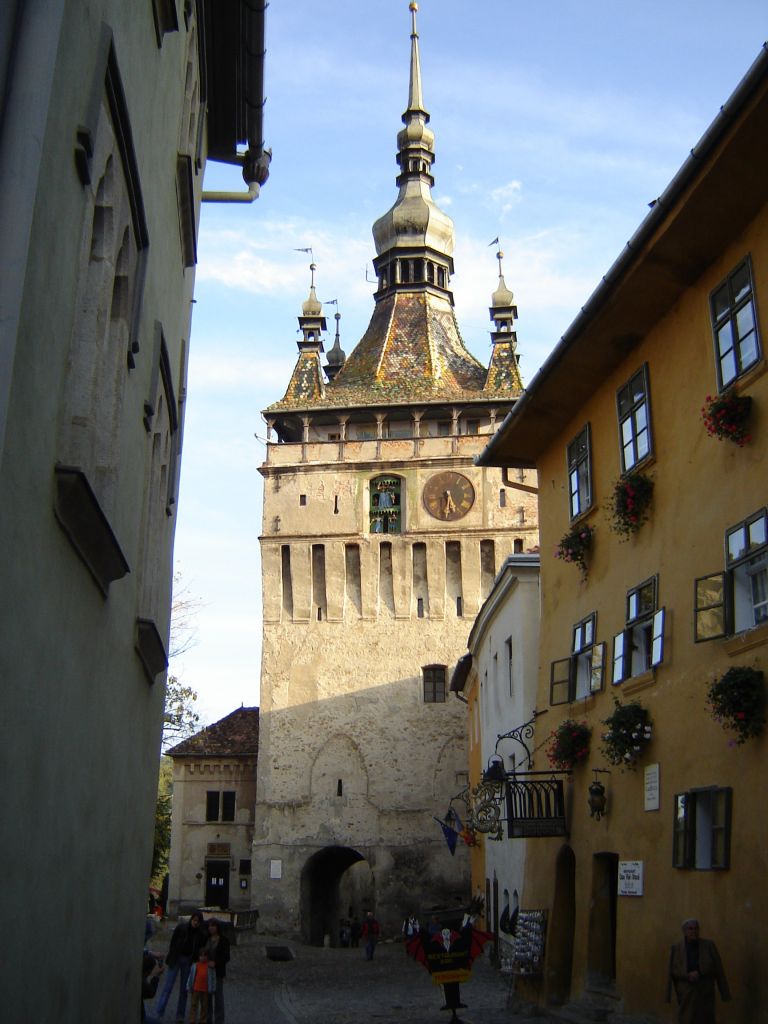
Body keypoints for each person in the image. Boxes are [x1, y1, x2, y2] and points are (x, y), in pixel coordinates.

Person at [667, 918, 730, 1023]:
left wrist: (699, 973)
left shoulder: (708, 945)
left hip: (704, 990)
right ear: (684, 931)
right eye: (690, 929)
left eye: (696, 928)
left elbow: (717, 968)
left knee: (705, 1018)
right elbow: (673, 970)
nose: (694, 931)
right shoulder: (677, 948)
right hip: (686, 991)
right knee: (687, 1018)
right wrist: (687, 975)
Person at [155, 911, 207, 1021]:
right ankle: (159, 1012)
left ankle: (180, 1015)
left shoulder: (200, 934)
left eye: (198, 921)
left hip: (188, 960)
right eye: (194, 920)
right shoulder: (182, 928)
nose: (195, 923)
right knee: (167, 987)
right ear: (191, 920)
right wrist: (172, 955)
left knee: (184, 990)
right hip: (177, 958)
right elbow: (173, 943)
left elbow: (201, 948)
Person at [205, 918, 230, 1024]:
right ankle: (208, 1019)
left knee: (218, 997)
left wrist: (216, 963)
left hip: (218, 971)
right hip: (206, 971)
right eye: (209, 926)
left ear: (218, 927)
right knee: (207, 997)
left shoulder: (224, 940)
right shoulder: (206, 939)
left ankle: (219, 1020)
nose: (211, 928)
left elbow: (226, 957)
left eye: (213, 926)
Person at [186, 949, 216, 1024]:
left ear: (207, 956)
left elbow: (213, 978)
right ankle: (192, 1020)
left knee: (204, 1007)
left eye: (205, 955)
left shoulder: (210, 967)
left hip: (205, 990)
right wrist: (189, 986)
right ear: (199, 956)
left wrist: (213, 988)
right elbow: (191, 977)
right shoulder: (195, 965)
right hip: (195, 988)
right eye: (201, 955)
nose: (203, 957)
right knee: (193, 1005)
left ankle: (203, 1021)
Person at [141, 951, 164, 1023]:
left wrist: (151, 954)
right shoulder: (141, 982)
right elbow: (151, 993)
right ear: (149, 970)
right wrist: (156, 976)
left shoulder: (138, 976)